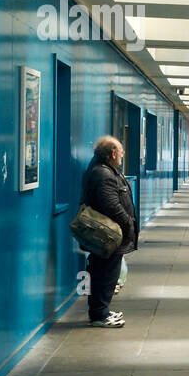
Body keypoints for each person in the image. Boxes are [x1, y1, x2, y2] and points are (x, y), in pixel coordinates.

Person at [80, 135, 137, 329]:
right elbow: (111, 205)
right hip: (108, 235)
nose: (122, 156)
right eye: (121, 153)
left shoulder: (102, 170)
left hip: (108, 233)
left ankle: (101, 310)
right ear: (113, 154)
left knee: (105, 273)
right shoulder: (103, 174)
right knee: (104, 275)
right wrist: (128, 223)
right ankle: (99, 315)